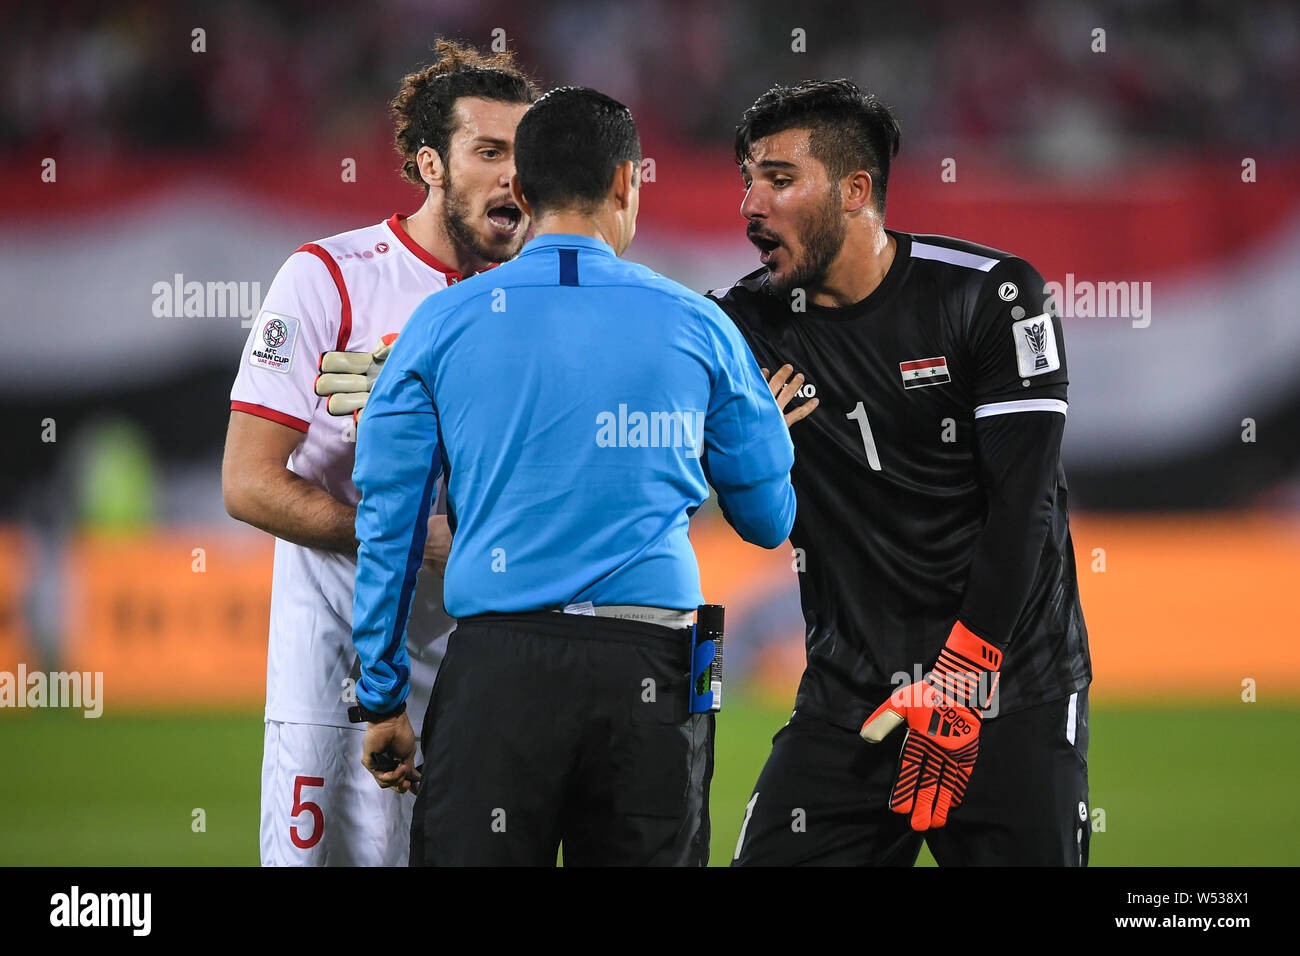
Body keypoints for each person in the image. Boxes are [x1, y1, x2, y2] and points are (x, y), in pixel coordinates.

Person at [348, 86, 798, 866]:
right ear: (628, 182)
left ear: (520, 191)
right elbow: (767, 520)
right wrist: (754, 438)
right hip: (656, 669)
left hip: (497, 668)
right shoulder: (701, 325)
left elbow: (389, 522)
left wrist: (383, 698)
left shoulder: (444, 323)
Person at [712, 79, 1093, 866]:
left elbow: (1021, 507)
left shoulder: (993, 295)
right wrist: (750, 449)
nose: (751, 204)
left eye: (779, 179)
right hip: (853, 697)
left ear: (856, 191)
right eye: (748, 178)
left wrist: (966, 672)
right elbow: (697, 487)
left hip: (1005, 690)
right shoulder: (740, 327)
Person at [220, 38, 537, 866]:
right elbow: (249, 484)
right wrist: (402, 538)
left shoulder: (536, 298)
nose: (514, 176)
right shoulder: (327, 276)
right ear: (430, 163)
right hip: (336, 670)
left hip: (485, 671)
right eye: (489, 152)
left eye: (525, 155)